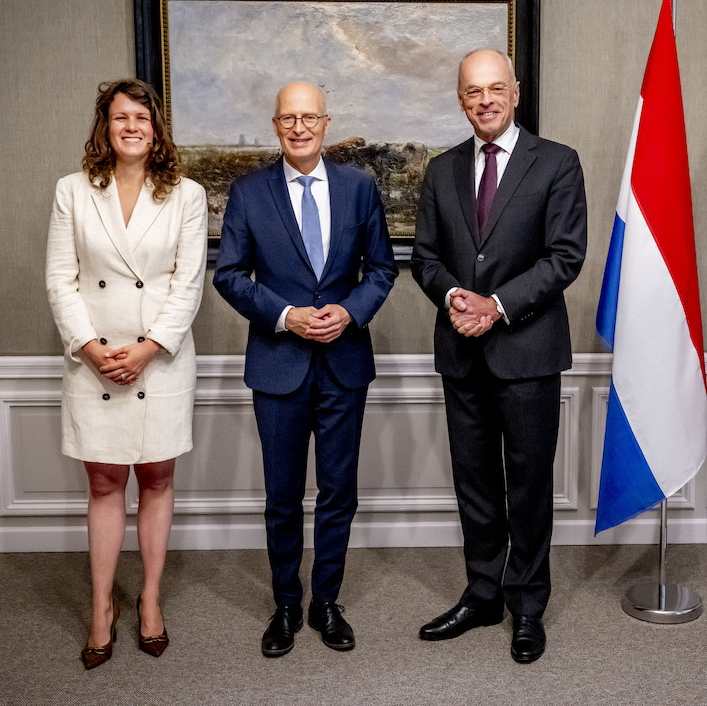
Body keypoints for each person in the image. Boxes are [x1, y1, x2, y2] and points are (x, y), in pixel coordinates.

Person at [410, 49, 587, 664]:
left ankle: (527, 606)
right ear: (460, 100)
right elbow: (424, 258)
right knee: (476, 485)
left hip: (528, 353)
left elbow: (565, 256)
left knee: (529, 486)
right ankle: (483, 594)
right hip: (461, 354)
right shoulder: (441, 170)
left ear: (515, 91)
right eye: (470, 91)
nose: (483, 100)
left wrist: (497, 305)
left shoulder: (557, 163)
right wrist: (457, 296)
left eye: (494, 88)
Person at [213, 81, 397, 658]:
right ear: (275, 125)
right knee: (283, 495)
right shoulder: (249, 193)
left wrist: (349, 311)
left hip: (344, 364)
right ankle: (287, 604)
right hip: (279, 365)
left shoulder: (359, 187)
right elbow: (229, 274)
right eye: (288, 118)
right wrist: (286, 315)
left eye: (309, 118)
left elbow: (383, 270)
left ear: (326, 123)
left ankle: (326, 602)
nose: (299, 127)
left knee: (339, 492)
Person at [46, 79, 208, 669]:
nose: (131, 126)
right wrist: (91, 348)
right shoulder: (72, 190)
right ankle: (99, 608)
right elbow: (61, 279)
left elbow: (188, 284)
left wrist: (145, 349)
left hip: (159, 360)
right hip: (94, 361)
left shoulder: (187, 195)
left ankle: (149, 599)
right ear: (105, 127)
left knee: (158, 478)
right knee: (105, 483)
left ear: (156, 127)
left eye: (141, 116)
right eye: (120, 117)